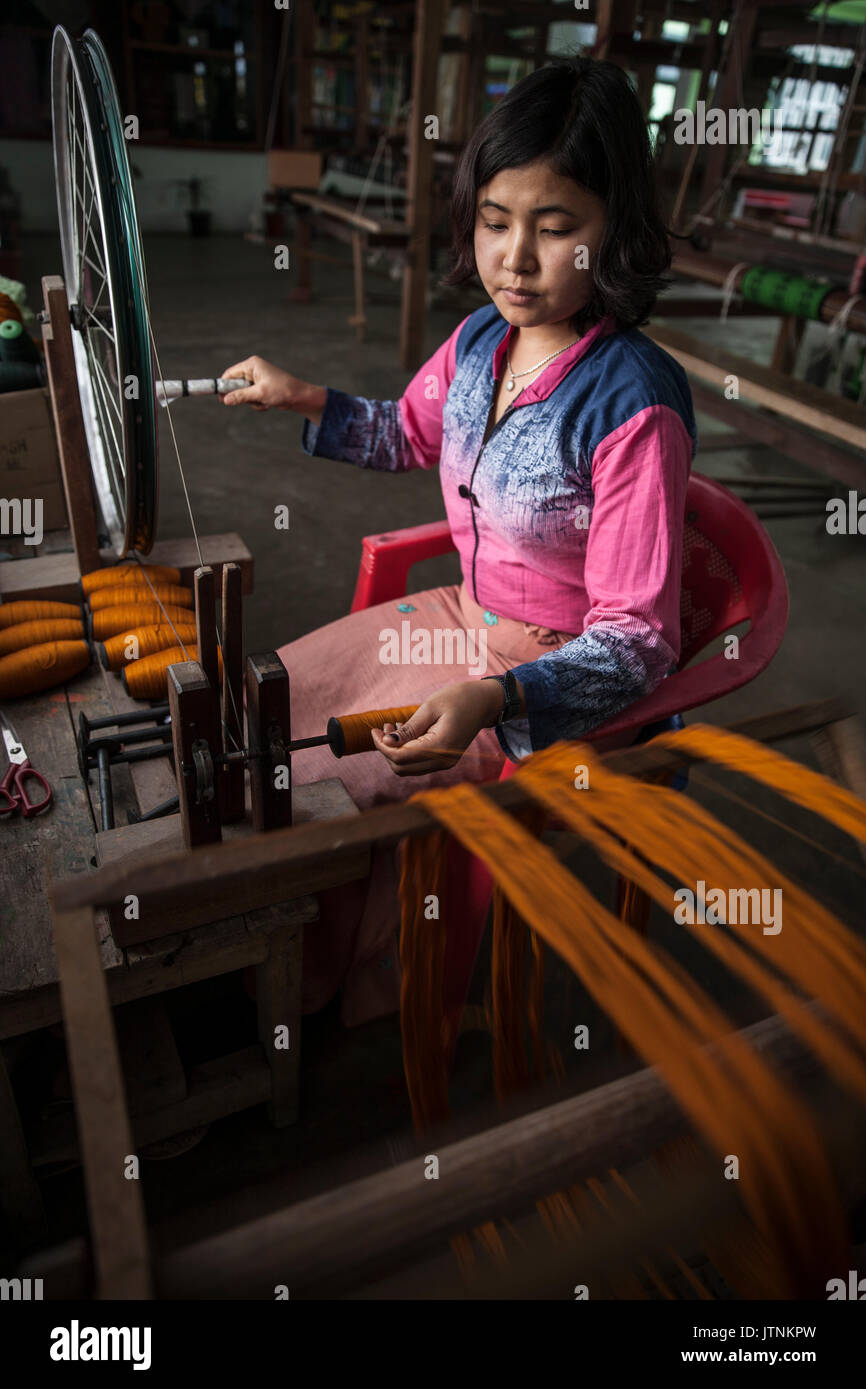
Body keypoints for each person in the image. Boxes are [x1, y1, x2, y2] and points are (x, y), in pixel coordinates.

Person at [220, 55, 697, 1027]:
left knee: (336, 789)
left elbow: (640, 642)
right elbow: (408, 431)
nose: (514, 258)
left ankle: (313, 997)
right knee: (262, 707)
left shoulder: (630, 405)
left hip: (553, 674)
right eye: (493, 220)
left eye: (555, 227)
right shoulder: (480, 342)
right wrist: (302, 395)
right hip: (463, 622)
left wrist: (495, 694)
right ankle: (230, 942)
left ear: (614, 232)